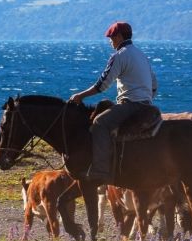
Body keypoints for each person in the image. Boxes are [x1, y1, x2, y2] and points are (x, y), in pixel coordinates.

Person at [68, 21, 159, 183]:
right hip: (147, 105)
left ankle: (100, 171)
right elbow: (154, 86)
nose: (110, 41)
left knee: (99, 124)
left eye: (111, 37)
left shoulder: (119, 56)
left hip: (131, 105)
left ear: (119, 36)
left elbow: (102, 85)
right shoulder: (141, 55)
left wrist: (80, 96)